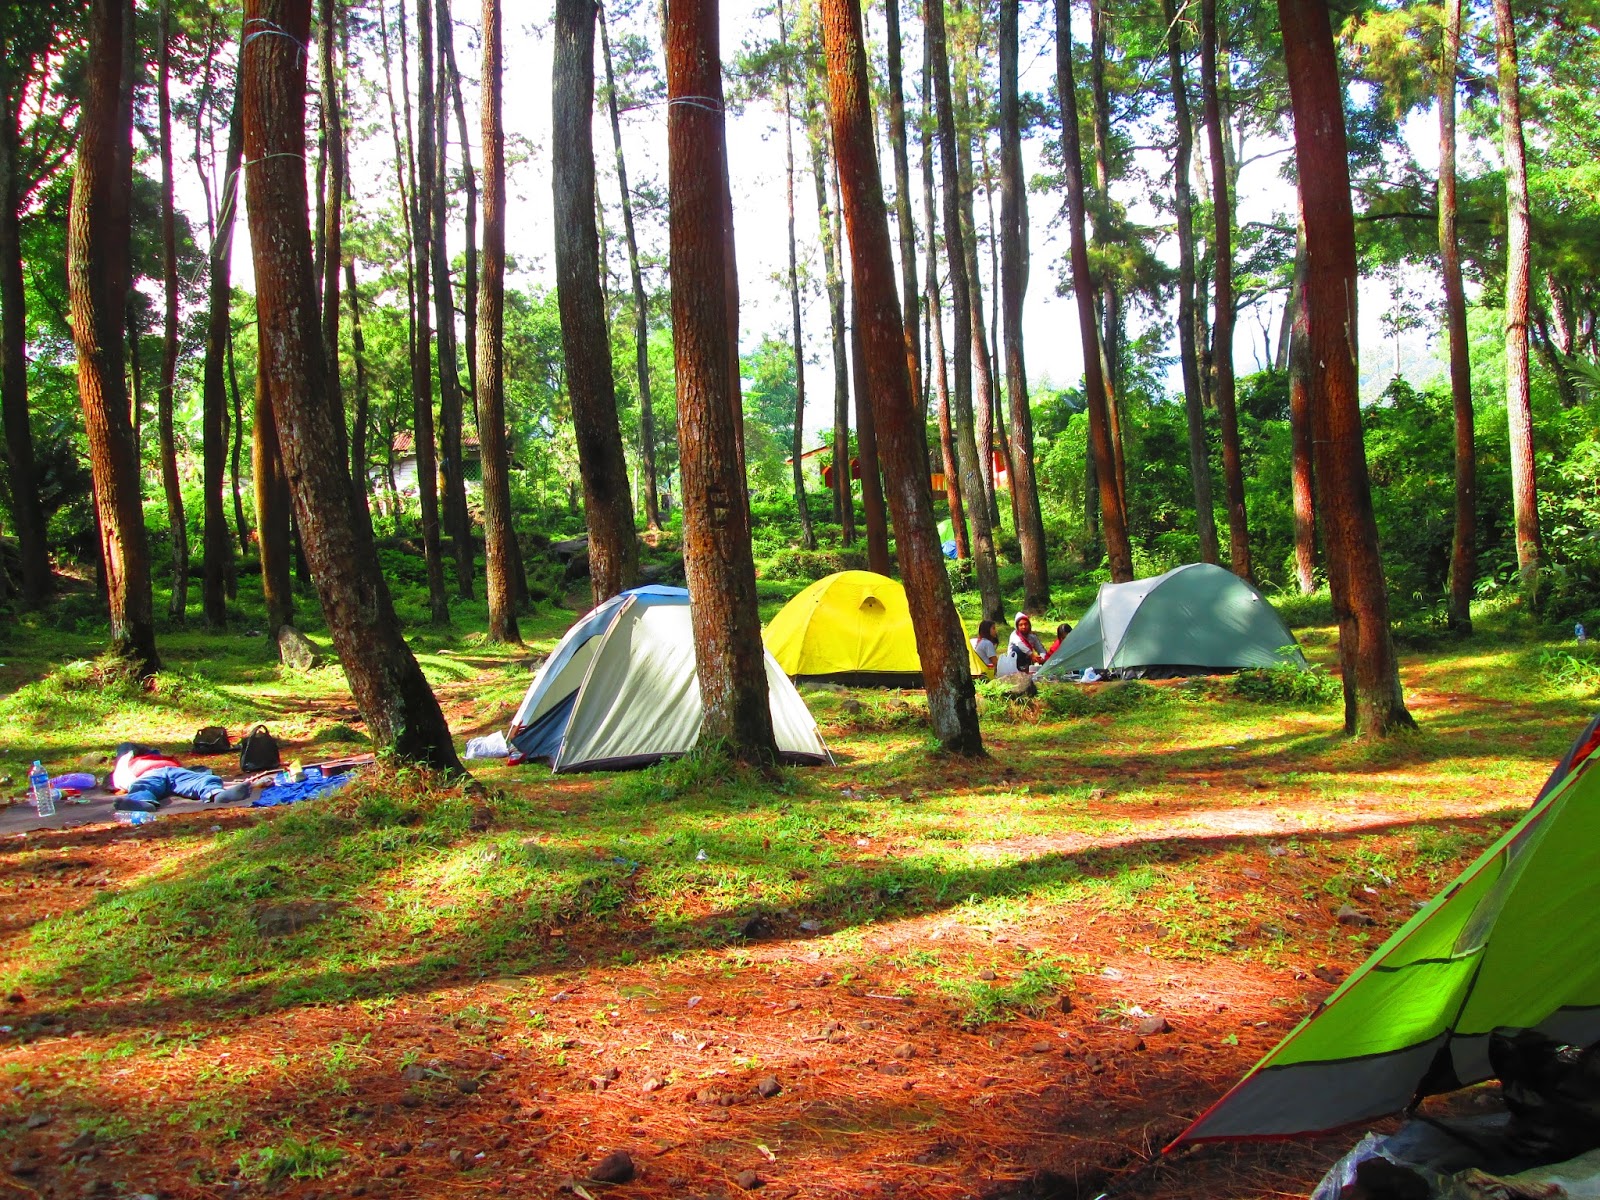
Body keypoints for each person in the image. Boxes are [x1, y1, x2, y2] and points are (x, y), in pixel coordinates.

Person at [108, 743, 251, 812]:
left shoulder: (161, 757)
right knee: (141, 787)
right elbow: (126, 746)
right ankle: (141, 803)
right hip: (148, 775)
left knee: (200, 780)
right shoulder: (125, 765)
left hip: (176, 771)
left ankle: (218, 794)